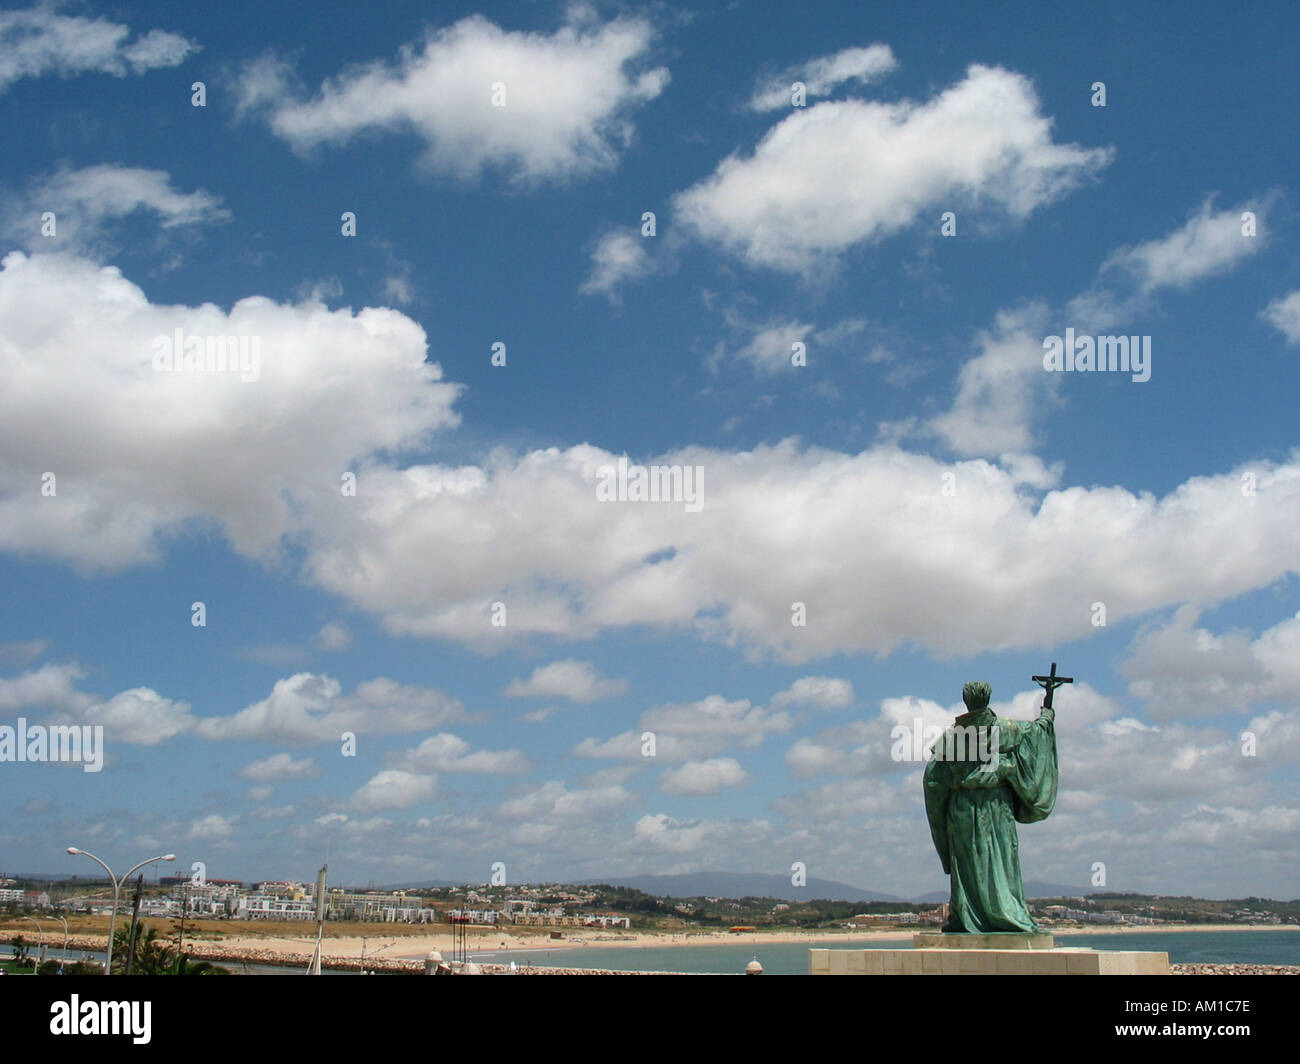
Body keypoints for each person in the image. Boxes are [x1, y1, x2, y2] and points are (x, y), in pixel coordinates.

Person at [923, 680, 1057, 933]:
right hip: (996, 806)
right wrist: (1047, 714)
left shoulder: (951, 737)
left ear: (966, 701)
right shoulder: (1007, 729)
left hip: (960, 807)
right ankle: (1004, 912)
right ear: (988, 698)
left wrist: (941, 811)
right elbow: (1037, 734)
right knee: (1001, 859)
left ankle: (967, 916)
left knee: (967, 863)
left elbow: (933, 781)